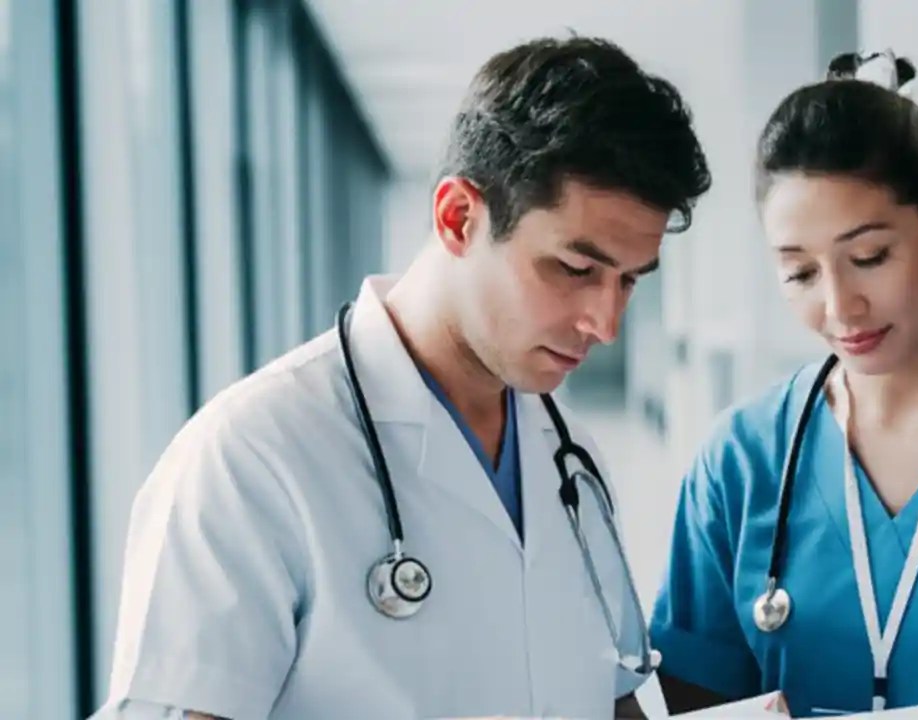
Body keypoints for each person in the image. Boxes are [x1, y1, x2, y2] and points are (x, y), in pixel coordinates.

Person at [91, 36, 711, 720]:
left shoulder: (573, 464)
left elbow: (609, 696)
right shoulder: (251, 457)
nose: (605, 323)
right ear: (458, 218)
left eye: (628, 282)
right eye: (574, 268)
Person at [649, 52, 918, 717]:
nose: (840, 306)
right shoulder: (742, 461)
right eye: (799, 273)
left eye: (869, 258)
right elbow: (691, 696)